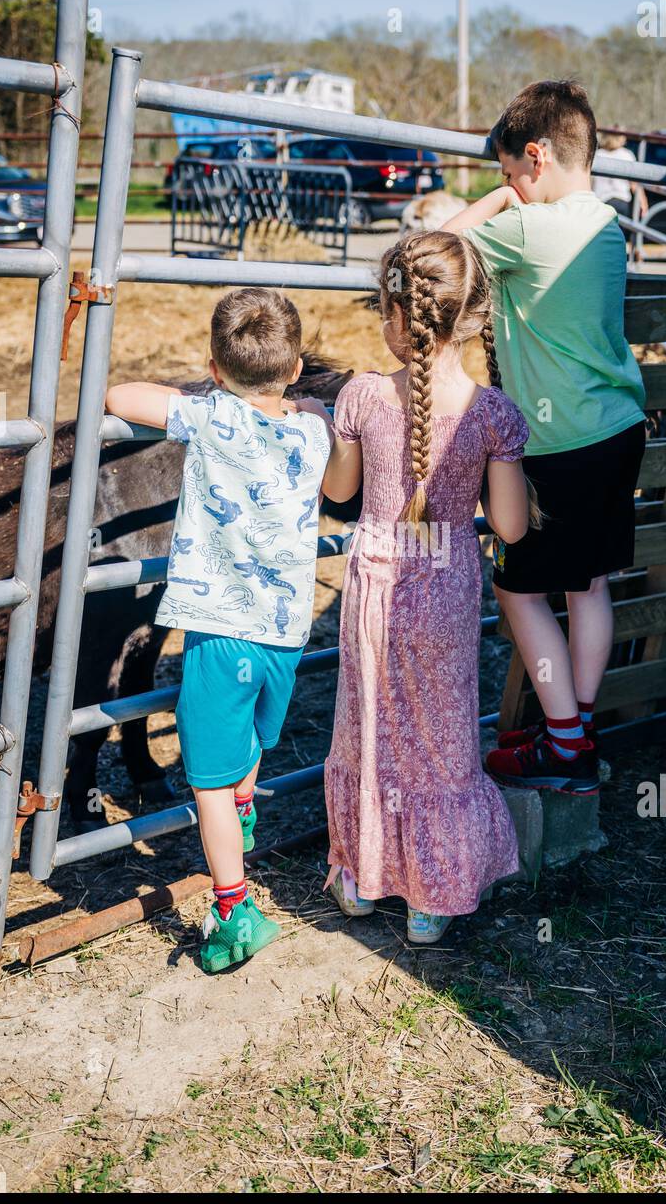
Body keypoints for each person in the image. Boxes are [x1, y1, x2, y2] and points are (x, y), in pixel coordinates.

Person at [105, 288, 332, 972]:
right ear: (295, 369)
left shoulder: (205, 416)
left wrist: (200, 390)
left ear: (212, 366)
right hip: (288, 633)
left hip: (220, 630)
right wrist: (313, 406)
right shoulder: (313, 428)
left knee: (205, 781)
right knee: (248, 749)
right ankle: (243, 810)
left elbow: (119, 396)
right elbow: (335, 465)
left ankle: (233, 913)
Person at [322, 231, 528, 945]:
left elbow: (338, 492)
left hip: (374, 583)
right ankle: (429, 898)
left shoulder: (361, 396)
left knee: (366, 724)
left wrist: (336, 436)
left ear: (399, 316)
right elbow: (509, 525)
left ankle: (358, 876)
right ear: (472, 316)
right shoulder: (492, 413)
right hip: (443, 588)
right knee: (439, 738)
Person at [442, 79, 647, 793]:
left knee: (519, 590)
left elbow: (432, 251)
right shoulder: (607, 225)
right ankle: (578, 723)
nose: (507, 189)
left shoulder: (528, 225)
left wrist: (499, 199)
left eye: (508, 173)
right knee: (588, 585)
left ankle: (564, 746)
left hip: (560, 452)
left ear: (535, 158)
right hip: (619, 431)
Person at [592, 127, 649, 224]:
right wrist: (643, 204)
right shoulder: (627, 155)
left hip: (601, 202)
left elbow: (590, 183)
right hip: (621, 201)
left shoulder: (597, 155)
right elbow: (634, 184)